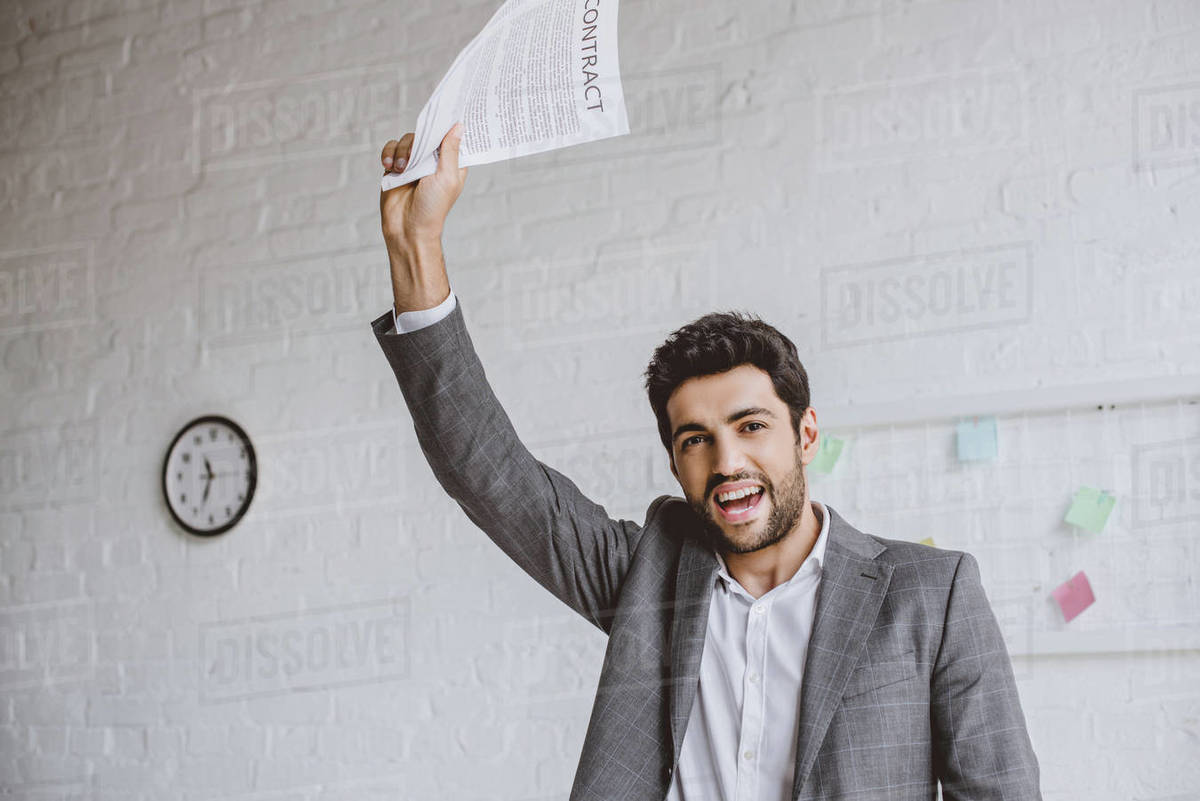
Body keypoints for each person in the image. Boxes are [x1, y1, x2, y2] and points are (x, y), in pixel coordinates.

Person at [370, 124, 1043, 801]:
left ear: (806, 433)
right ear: (673, 460)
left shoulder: (930, 594)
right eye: (695, 439)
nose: (727, 461)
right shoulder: (650, 581)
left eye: (751, 426)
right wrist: (415, 245)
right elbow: (486, 471)